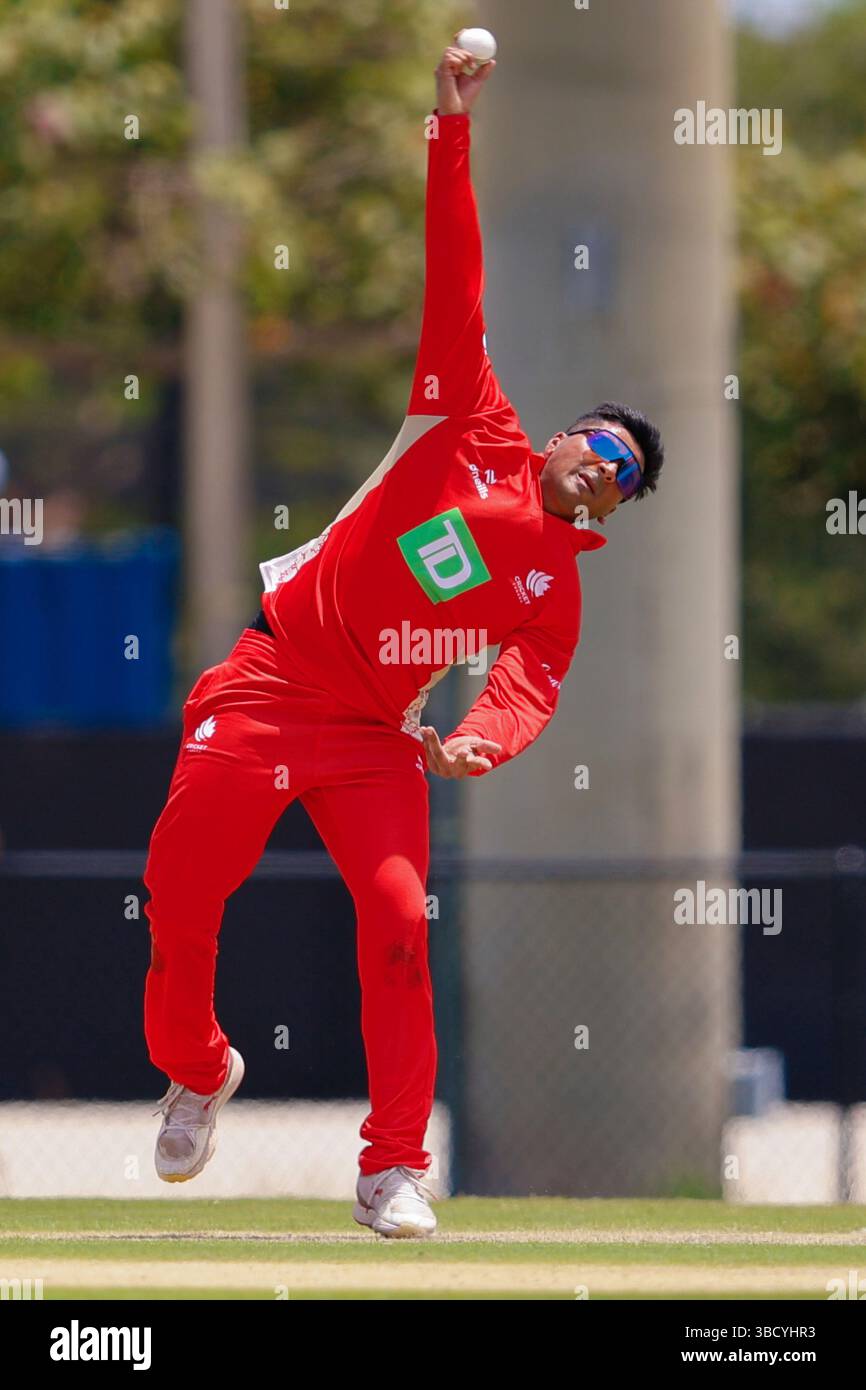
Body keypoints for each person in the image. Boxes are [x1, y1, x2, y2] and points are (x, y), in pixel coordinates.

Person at [144, 41, 665, 1239]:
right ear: (558, 438)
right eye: (593, 437)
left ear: (610, 510)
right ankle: (200, 1063)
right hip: (272, 678)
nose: (594, 456)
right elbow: (456, 273)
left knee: (393, 922)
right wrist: (448, 127)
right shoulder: (468, 412)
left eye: (618, 468)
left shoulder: (555, 584)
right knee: (180, 891)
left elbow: (523, 691)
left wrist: (474, 744)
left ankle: (391, 1167)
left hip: (377, 736)